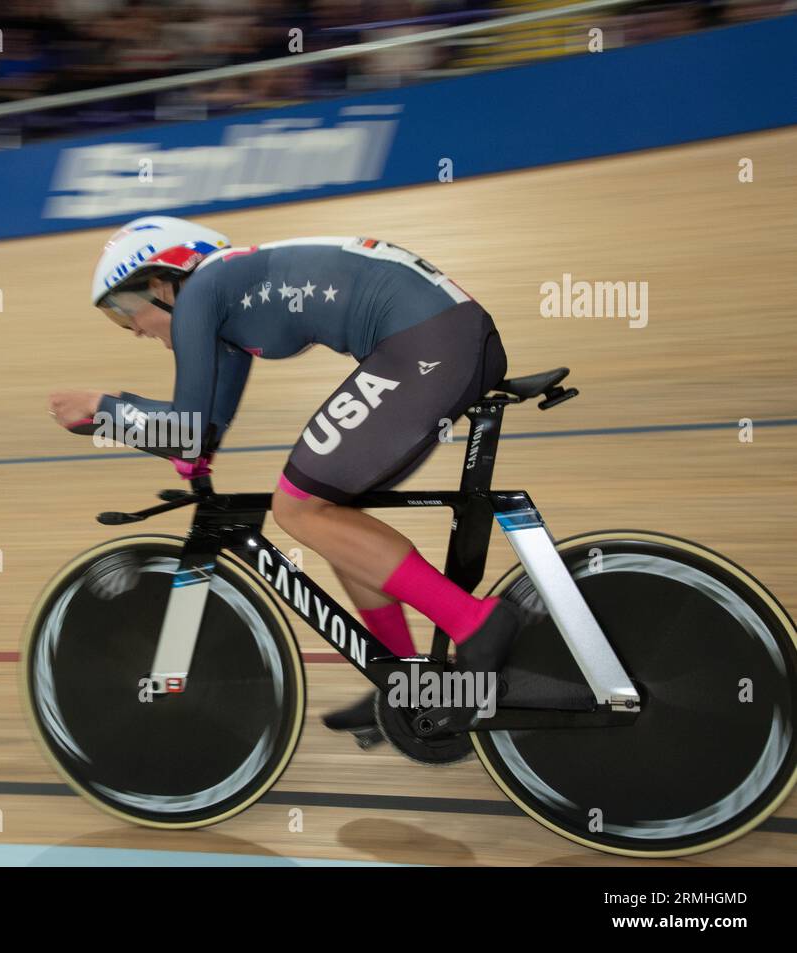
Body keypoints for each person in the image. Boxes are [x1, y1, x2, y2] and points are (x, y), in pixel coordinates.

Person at [48, 215, 523, 743]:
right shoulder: (224, 301)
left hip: (427, 344)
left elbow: (182, 429)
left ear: (162, 282)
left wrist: (101, 406)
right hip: (439, 337)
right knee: (329, 515)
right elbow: (199, 432)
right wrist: (189, 459)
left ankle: (476, 624)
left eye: (123, 310)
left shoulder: (202, 292)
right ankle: (406, 679)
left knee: (297, 508)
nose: (131, 329)